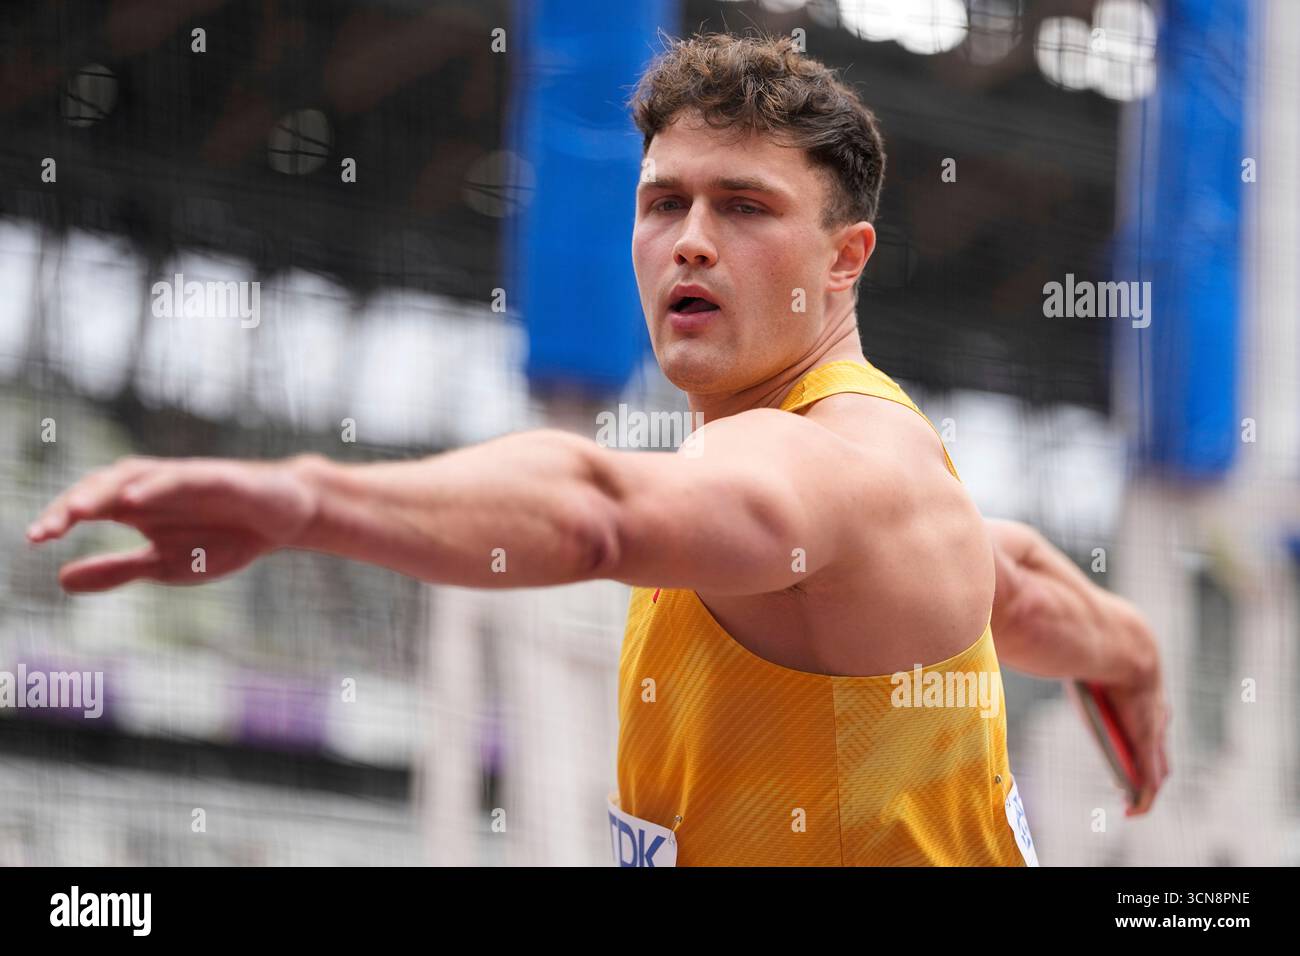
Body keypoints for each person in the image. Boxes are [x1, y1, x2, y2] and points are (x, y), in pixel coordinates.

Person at [26, 32, 1168, 866]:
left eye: (746, 207)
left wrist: (304, 500)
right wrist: (1124, 650)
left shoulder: (830, 465)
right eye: (662, 201)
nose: (691, 243)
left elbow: (593, 511)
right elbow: (1007, 574)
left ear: (846, 258)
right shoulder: (884, 495)